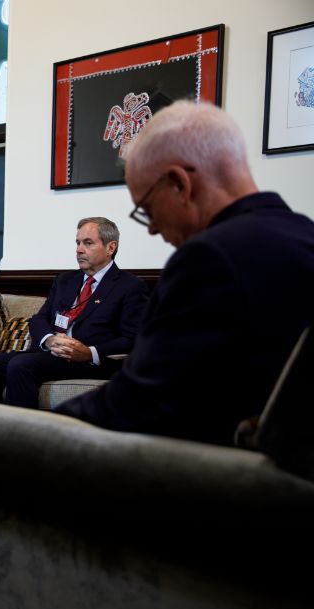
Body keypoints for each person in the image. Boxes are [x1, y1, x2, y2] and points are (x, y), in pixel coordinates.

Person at [57, 101, 314, 446]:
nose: (151, 230)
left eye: (146, 210)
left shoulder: (210, 258)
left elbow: (141, 401)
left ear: (179, 183)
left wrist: (25, 430)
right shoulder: (305, 234)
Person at [0, 218, 148, 408]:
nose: (79, 249)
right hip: (52, 353)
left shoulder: (130, 286)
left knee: (21, 365)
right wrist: (48, 339)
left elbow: (132, 339)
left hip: (91, 362)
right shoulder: (65, 280)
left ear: (110, 247)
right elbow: (40, 318)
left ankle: (21, 436)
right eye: (77, 243)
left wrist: (89, 353)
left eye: (88, 243)